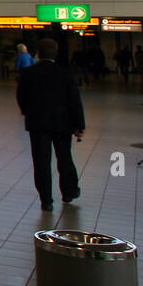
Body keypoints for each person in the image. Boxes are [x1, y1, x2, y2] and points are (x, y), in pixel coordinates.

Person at [17, 37, 85, 210]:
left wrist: (27, 112)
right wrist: (79, 125)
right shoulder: (65, 73)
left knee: (41, 162)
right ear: (55, 53)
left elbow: (21, 97)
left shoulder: (28, 73)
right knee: (64, 158)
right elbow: (74, 101)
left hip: (37, 123)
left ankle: (46, 200)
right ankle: (69, 191)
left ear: (38, 53)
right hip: (62, 124)